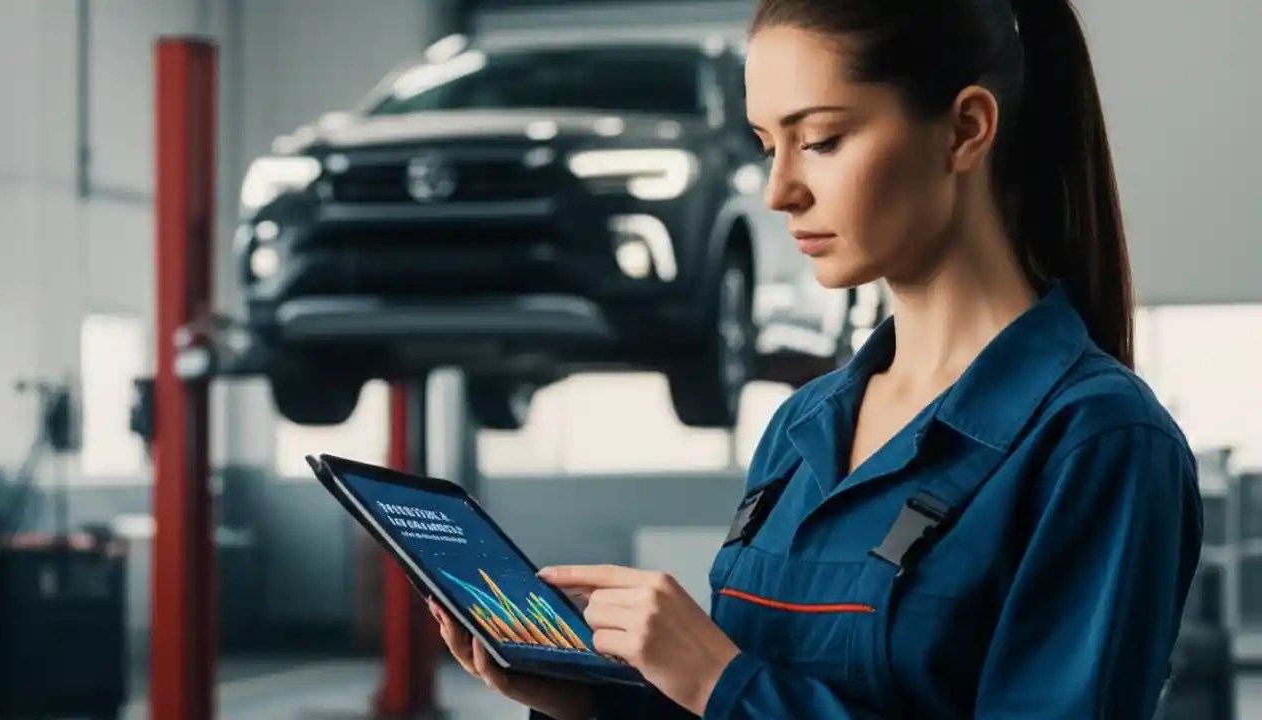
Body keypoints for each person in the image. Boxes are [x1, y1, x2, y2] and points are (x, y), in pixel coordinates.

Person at [429, 0, 1205, 716]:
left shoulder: (1097, 443)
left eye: (822, 140)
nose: (779, 191)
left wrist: (718, 680)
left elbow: (738, 693)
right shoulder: (803, 427)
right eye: (768, 146)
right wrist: (605, 700)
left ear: (965, 129)